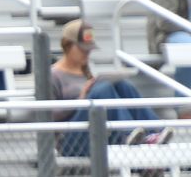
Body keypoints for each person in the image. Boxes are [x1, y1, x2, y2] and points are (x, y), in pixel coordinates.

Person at [47, 19, 169, 157]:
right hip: (69, 140)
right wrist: (81, 98)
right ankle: (129, 133)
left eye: (89, 50)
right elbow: (47, 115)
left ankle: (154, 132)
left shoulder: (87, 71)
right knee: (103, 89)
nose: (86, 54)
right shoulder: (53, 75)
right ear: (67, 46)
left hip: (97, 133)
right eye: (82, 49)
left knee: (121, 85)